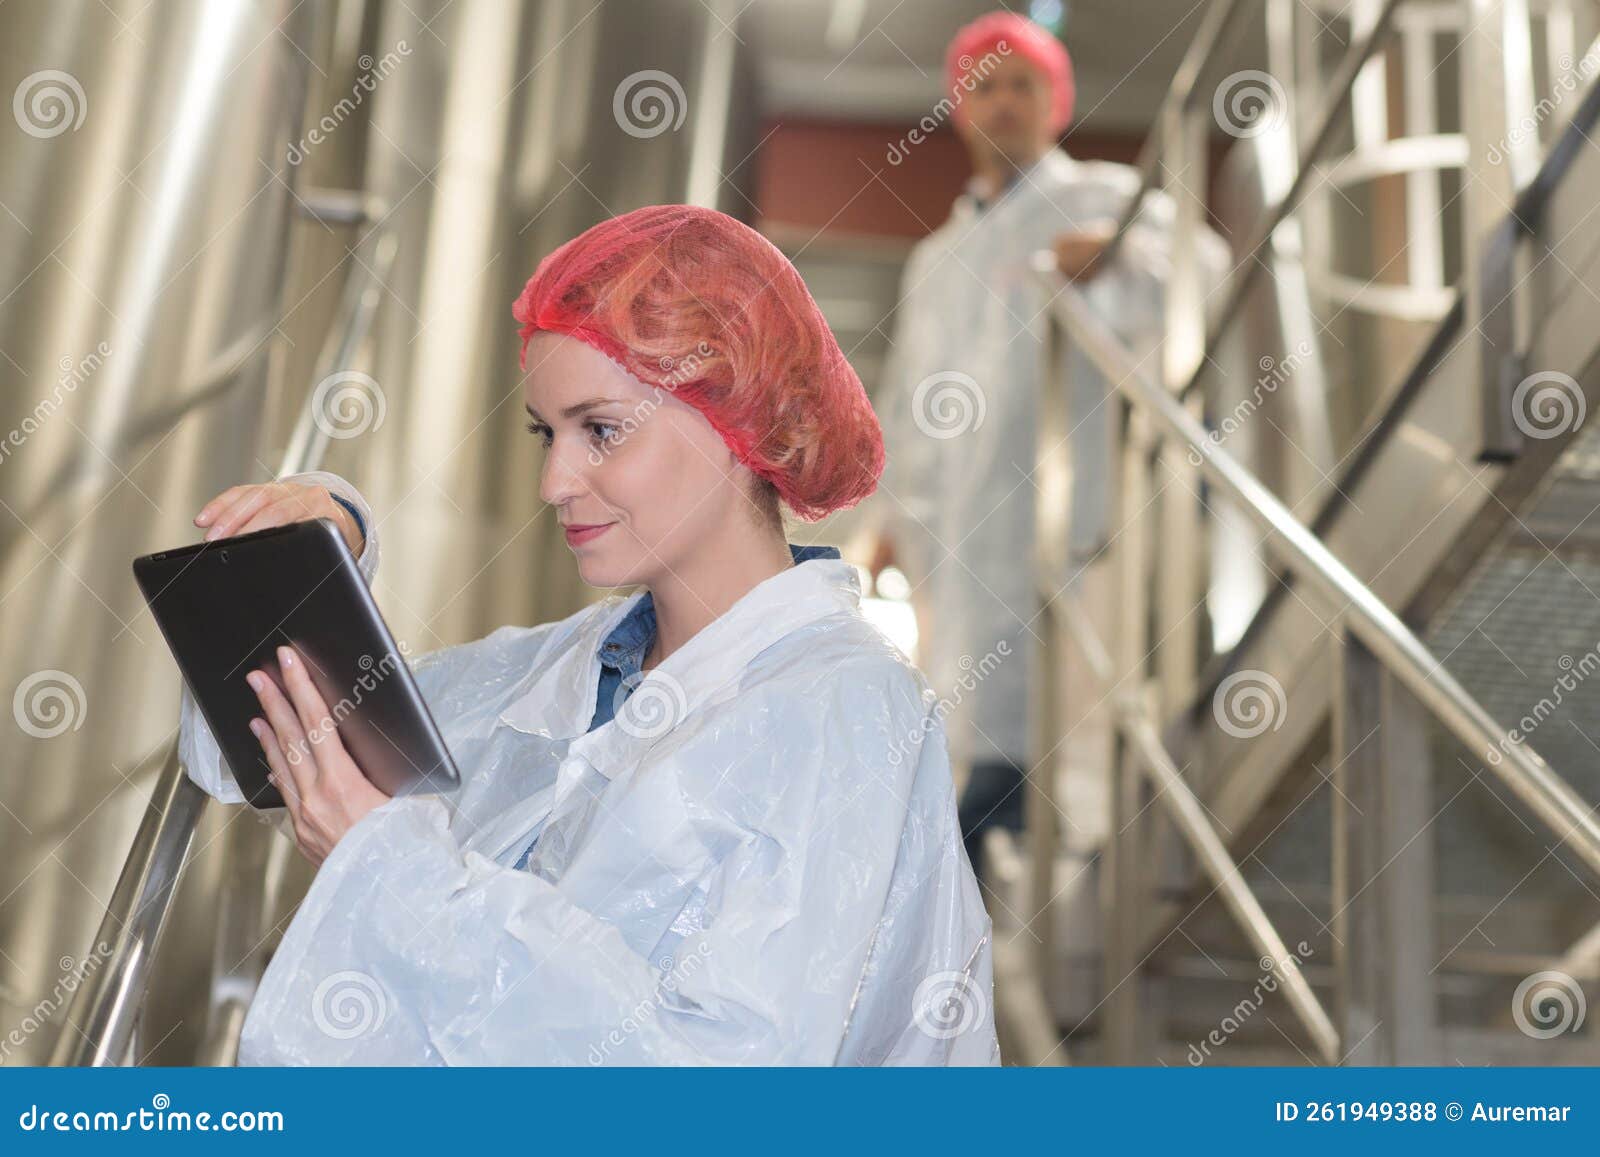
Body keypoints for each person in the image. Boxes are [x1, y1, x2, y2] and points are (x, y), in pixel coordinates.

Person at [178, 204, 999, 1066]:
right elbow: (254, 750)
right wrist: (321, 555)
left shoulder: (846, 708)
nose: (554, 481)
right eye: (547, 431)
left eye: (600, 429)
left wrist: (392, 869)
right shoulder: (570, 668)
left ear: (736, 419)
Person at [859, 11, 1229, 883]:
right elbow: (907, 401)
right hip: (955, 535)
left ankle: (1080, 903)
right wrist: (882, 520)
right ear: (958, 108)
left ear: (1056, 103)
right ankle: (985, 870)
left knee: (1076, 726)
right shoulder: (937, 259)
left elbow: (1205, 272)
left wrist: (1119, 258)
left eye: (1022, 84)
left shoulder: (1102, 199)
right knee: (969, 721)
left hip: (1074, 519)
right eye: (983, 85)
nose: (1003, 102)